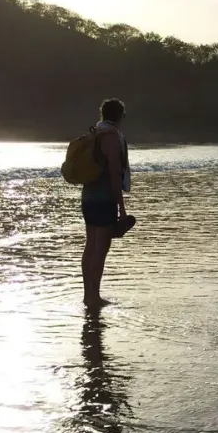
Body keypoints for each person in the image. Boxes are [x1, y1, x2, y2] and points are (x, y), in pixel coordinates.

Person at [81, 98, 131, 307]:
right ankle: (93, 297)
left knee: (91, 244)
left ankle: (88, 294)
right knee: (100, 248)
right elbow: (114, 175)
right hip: (104, 198)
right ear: (120, 116)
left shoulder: (95, 132)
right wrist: (121, 208)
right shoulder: (111, 137)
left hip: (88, 196)